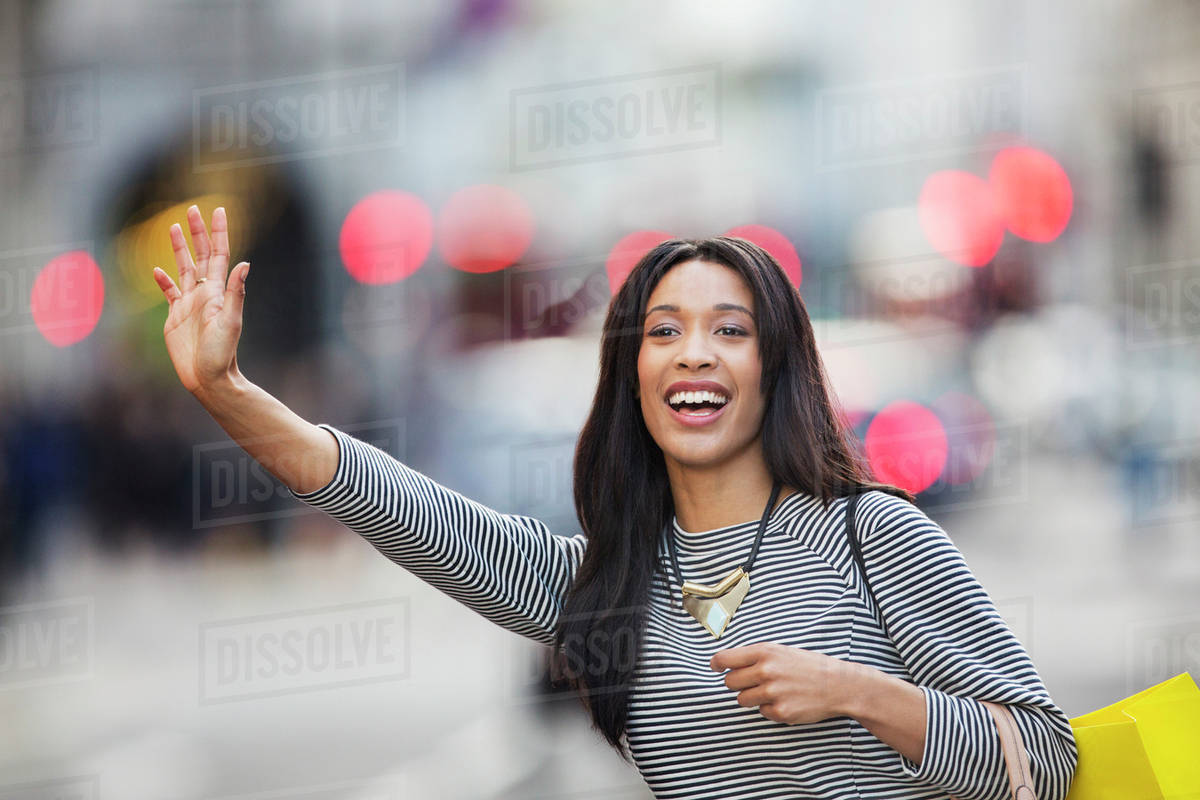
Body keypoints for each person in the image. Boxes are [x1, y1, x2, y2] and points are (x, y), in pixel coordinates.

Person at [153, 205, 1079, 799]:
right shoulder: (605, 585)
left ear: (775, 369)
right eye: (664, 332)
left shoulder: (870, 533)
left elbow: (1047, 755)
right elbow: (396, 506)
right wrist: (227, 391)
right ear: (633, 376)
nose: (695, 354)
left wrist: (860, 693)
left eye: (731, 331)